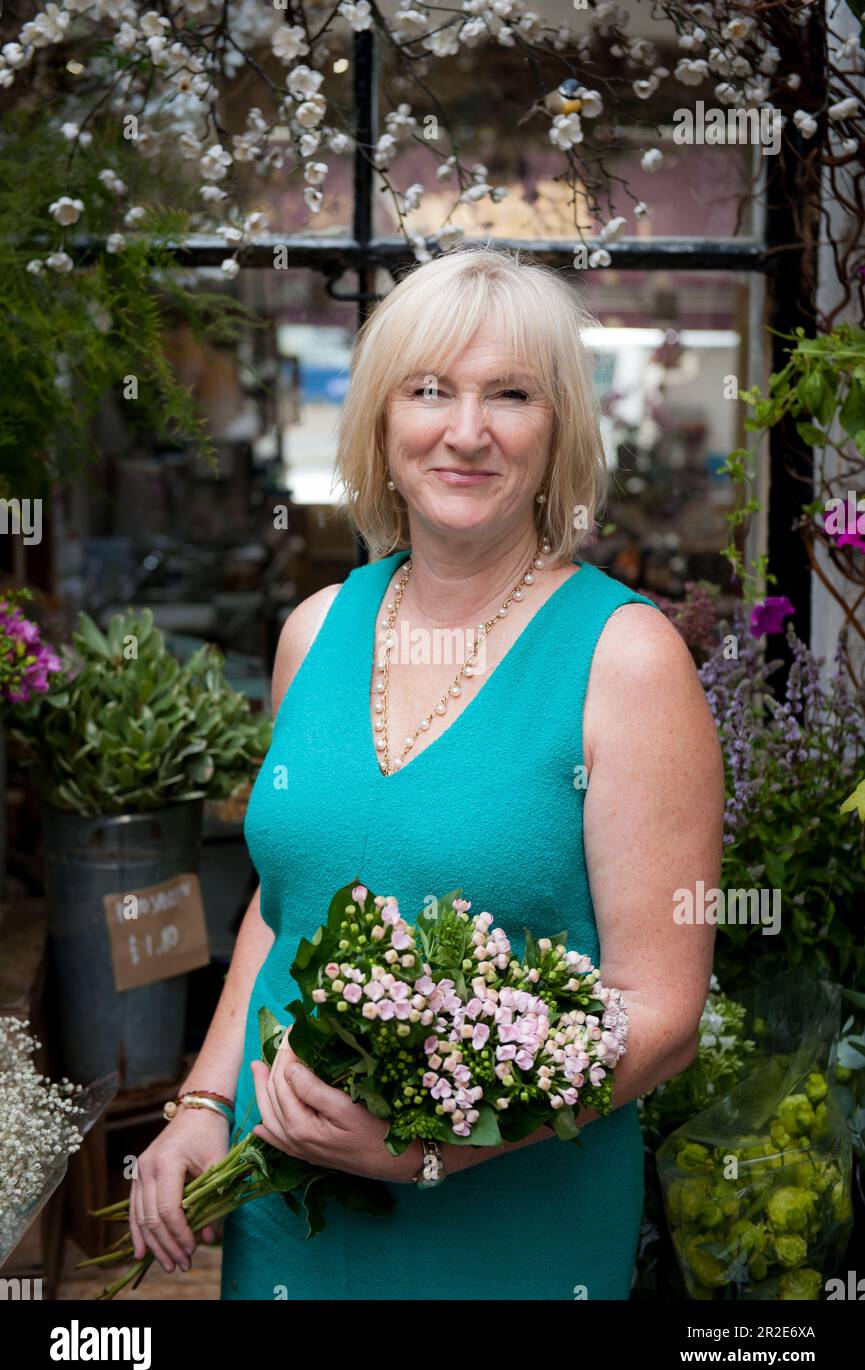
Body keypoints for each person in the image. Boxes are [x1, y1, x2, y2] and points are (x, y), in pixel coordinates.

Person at [128, 244, 724, 1300]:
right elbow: (283, 900)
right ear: (380, 422)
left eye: (511, 395)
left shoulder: (625, 659)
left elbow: (660, 1012)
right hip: (288, 1215)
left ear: (557, 434)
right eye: (430, 389)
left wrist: (442, 1146)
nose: (466, 429)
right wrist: (201, 1107)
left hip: (510, 1231)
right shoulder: (314, 632)